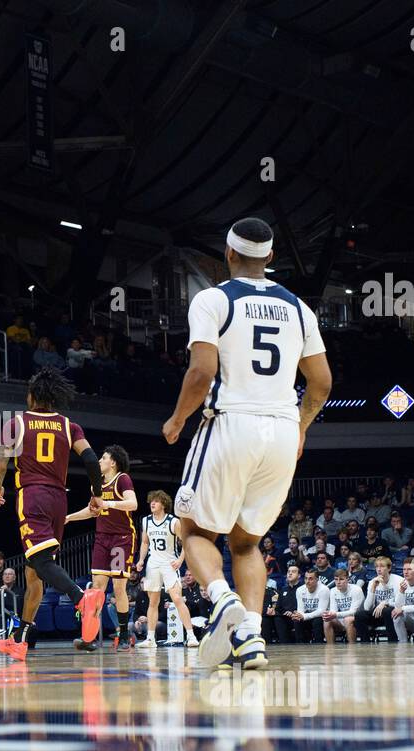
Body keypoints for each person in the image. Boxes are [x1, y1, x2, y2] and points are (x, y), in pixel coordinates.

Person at [161, 217, 333, 671]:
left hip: (231, 423)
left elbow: (201, 372)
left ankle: (220, 601)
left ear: (228, 254)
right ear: (271, 258)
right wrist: (301, 428)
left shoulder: (213, 299)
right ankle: (252, 638)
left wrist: (178, 418)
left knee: (194, 530)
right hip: (280, 431)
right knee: (246, 542)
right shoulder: (299, 308)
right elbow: (321, 383)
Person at [0, 367, 105, 659]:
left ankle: (82, 599)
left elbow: (1, 462)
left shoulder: (16, 422)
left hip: (32, 497)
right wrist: (96, 493)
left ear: (32, 396)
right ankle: (21, 640)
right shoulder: (69, 426)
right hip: (59, 500)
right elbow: (91, 460)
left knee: (39, 562)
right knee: (35, 572)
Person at [65, 445, 138, 649]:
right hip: (102, 539)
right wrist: (69, 518)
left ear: (112, 462)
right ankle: (89, 638)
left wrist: (110, 504)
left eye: (103, 458)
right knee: (97, 589)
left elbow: (133, 504)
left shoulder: (122, 479)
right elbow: (93, 511)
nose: (99, 461)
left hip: (121, 539)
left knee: (119, 587)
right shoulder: (96, 485)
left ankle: (123, 635)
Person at [134, 489, 197, 648]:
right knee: (153, 602)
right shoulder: (146, 521)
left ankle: (191, 636)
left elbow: (186, 542)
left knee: (177, 599)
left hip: (169, 563)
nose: (152, 503)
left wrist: (180, 560)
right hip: (153, 564)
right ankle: (150, 639)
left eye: (156, 501)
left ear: (163, 504)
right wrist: (141, 559)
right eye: (151, 501)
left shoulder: (173, 521)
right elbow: (145, 543)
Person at [356, 555, 403, 642]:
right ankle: (365, 644)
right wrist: (373, 589)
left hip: (393, 614)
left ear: (389, 568)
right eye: (377, 566)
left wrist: (385, 603)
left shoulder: (398, 580)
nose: (379, 569)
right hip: (377, 614)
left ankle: (392, 642)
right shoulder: (372, 582)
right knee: (359, 615)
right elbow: (367, 607)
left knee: (387, 610)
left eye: (382, 566)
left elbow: (399, 603)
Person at [322, 568, 363, 643]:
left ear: (348, 579)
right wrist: (329, 614)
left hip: (357, 619)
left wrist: (335, 614)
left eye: (341, 579)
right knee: (327, 621)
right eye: (336, 579)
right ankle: (330, 649)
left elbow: (353, 612)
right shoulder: (333, 591)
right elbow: (333, 610)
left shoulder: (356, 589)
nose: (338, 582)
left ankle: (352, 648)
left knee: (347, 619)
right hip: (342, 619)